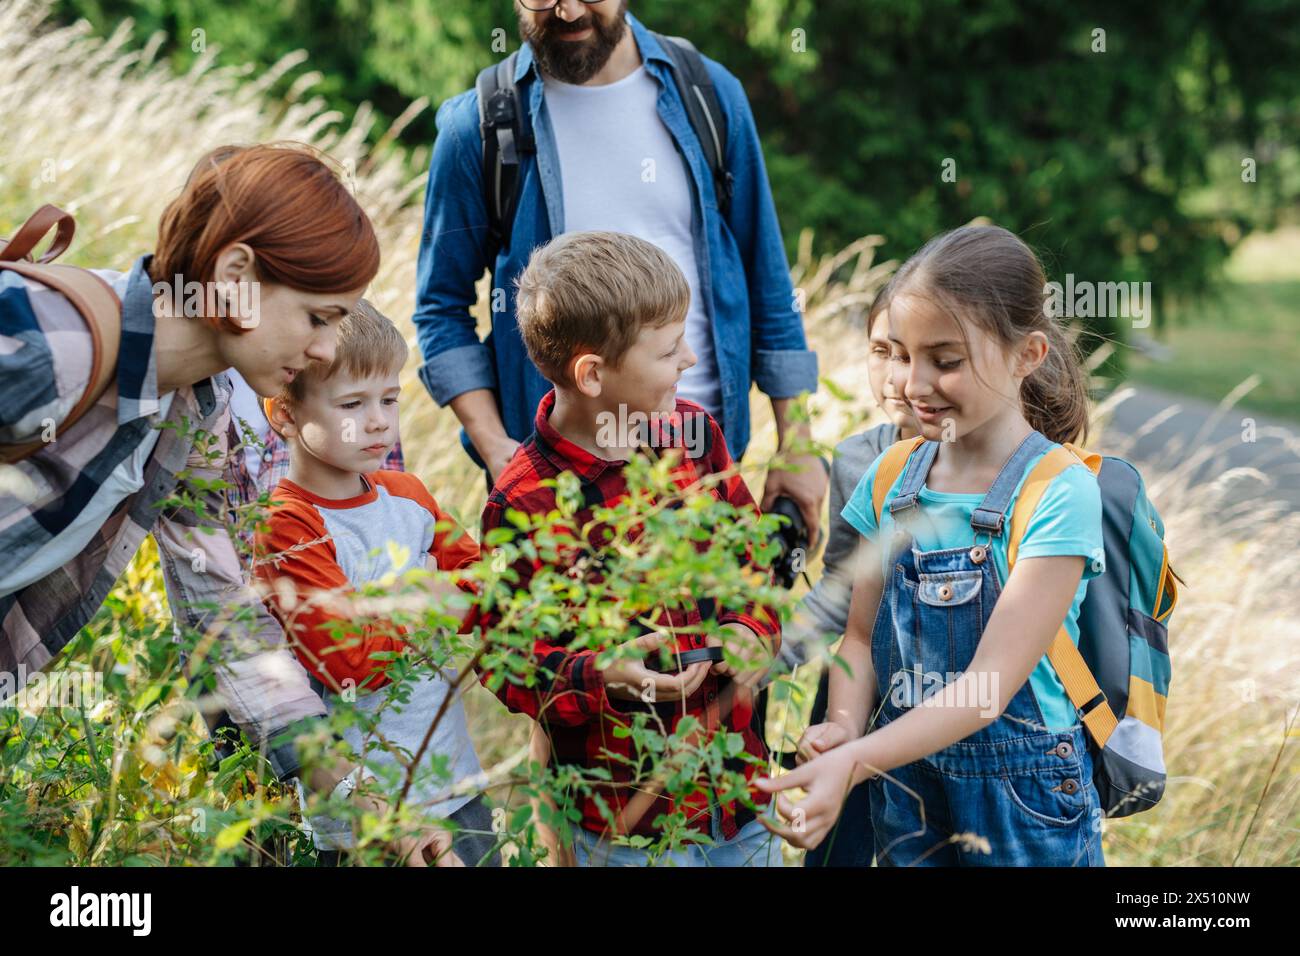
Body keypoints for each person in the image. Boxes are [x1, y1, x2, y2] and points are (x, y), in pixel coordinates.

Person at [0, 143, 446, 865]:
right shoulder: (57, 344)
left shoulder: (193, 415)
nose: (330, 351)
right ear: (236, 276)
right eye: (317, 318)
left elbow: (225, 615)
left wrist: (353, 793)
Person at [413, 0, 827, 545]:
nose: (565, 9)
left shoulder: (708, 94)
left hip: (707, 469)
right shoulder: (481, 128)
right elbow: (441, 307)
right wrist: (495, 447)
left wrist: (796, 442)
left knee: (725, 627)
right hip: (561, 496)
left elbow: (766, 276)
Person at [758, 225, 1108, 866]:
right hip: (905, 792)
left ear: (1028, 353)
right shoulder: (889, 477)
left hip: (1023, 808)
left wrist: (858, 759)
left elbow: (989, 689)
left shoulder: (1057, 491)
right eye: (896, 353)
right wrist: (841, 726)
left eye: (945, 361)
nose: (913, 383)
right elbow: (860, 640)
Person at [478, 231, 782, 866]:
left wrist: (751, 628)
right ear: (592, 373)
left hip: (738, 795)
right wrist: (600, 676)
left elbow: (752, 560)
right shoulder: (523, 502)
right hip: (622, 822)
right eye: (669, 349)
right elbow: (507, 658)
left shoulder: (696, 439)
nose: (691, 359)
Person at [254, 300, 499, 866]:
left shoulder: (406, 493)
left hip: (453, 780)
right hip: (366, 813)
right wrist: (429, 595)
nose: (378, 422)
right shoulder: (288, 523)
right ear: (285, 414)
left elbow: (487, 592)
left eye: (388, 399)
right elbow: (350, 663)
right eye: (351, 404)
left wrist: (392, 606)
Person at [771, 292, 919, 867]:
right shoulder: (858, 459)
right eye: (881, 350)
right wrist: (766, 656)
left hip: (958, 706)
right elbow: (839, 588)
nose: (895, 375)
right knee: (836, 855)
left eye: (915, 355)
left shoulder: (998, 462)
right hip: (854, 698)